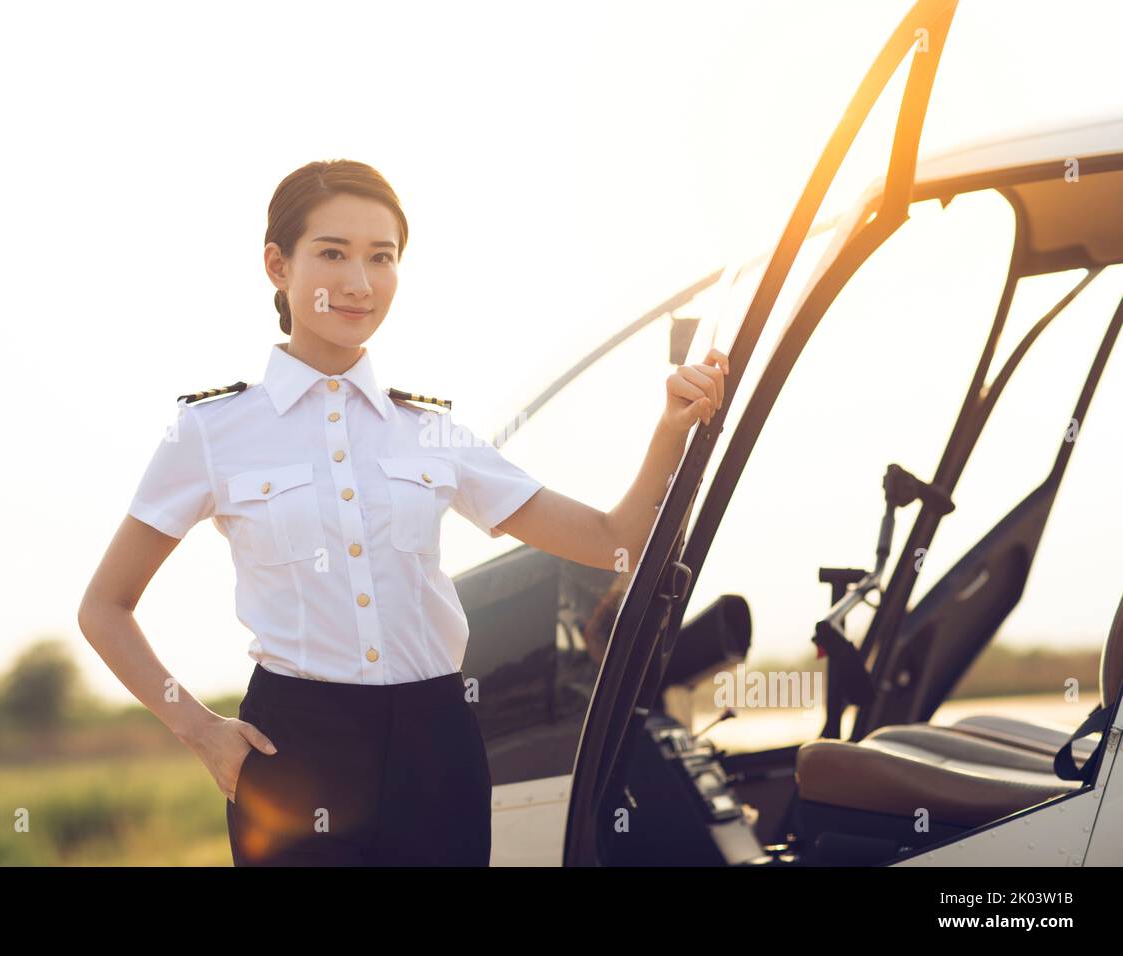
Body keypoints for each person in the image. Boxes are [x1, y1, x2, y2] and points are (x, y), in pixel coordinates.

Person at [77, 158, 729, 867]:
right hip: (295, 750)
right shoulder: (210, 432)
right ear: (277, 265)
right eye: (333, 253)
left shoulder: (430, 432)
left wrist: (671, 426)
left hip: (436, 749)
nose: (359, 283)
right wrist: (198, 729)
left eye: (381, 258)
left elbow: (615, 542)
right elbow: (105, 607)